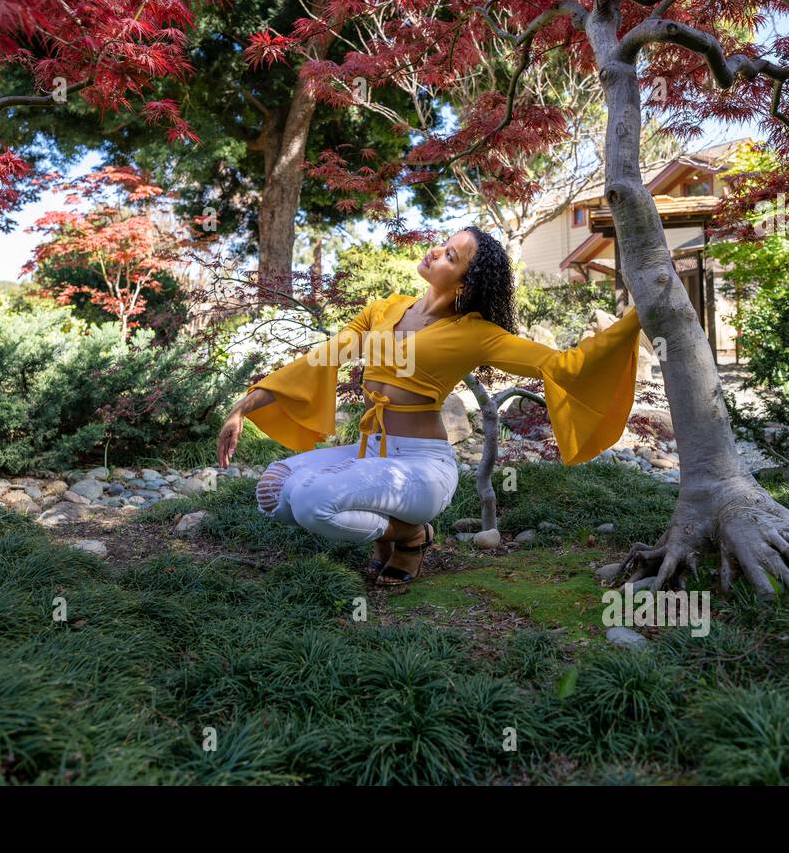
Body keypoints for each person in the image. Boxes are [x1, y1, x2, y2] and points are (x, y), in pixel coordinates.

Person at [217, 226, 642, 586]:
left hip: (420, 467)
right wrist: (244, 406)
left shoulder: (476, 333)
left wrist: (637, 319)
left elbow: (564, 366)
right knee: (273, 491)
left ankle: (410, 534)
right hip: (370, 453)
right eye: (442, 243)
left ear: (463, 284)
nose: (436, 251)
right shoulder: (386, 309)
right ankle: (385, 525)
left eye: (450, 255)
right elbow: (321, 360)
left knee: (311, 502)